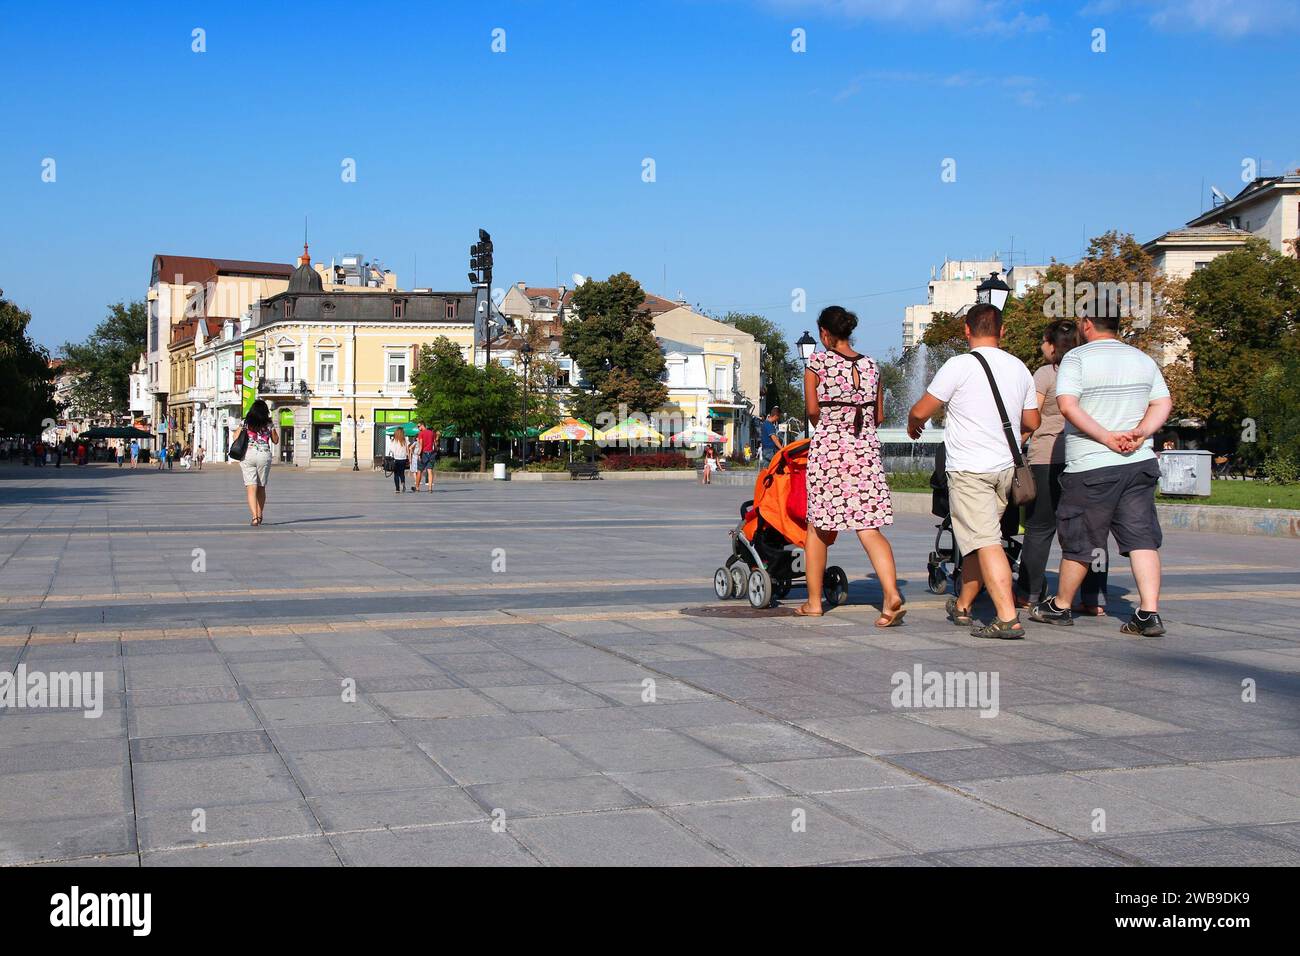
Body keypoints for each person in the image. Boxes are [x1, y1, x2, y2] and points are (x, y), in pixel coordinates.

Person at [1029, 302, 1172, 637]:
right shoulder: (1141, 358)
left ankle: (1061, 606)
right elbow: (1163, 402)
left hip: (1092, 465)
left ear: (1087, 324)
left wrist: (1106, 437)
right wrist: (1141, 433)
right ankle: (1148, 613)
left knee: (1081, 537)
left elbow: (1067, 405)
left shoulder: (1077, 359)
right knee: (1141, 538)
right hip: (1138, 462)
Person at [908, 303, 1040, 639]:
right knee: (979, 539)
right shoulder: (1020, 368)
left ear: (966, 330)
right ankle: (964, 604)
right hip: (1004, 470)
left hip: (970, 469)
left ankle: (1007, 618)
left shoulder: (959, 365)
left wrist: (913, 423)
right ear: (1003, 331)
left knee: (985, 540)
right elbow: (1032, 422)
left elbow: (922, 408)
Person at [799, 306, 905, 626]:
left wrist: (834, 421)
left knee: (819, 528)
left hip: (830, 450)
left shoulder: (816, 362)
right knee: (868, 526)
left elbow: (812, 412)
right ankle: (890, 593)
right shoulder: (873, 366)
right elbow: (880, 416)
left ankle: (814, 603)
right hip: (865, 451)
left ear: (824, 334)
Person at [1015, 320, 1108, 615]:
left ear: (1051, 344)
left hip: (1046, 458)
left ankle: (1029, 592)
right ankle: (1094, 597)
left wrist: (1016, 443)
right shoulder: (1091, 372)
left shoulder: (1045, 374)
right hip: (1087, 458)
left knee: (1040, 528)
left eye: (1043, 342)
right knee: (1093, 530)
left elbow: (1032, 419)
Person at [233, 400, 278, 525]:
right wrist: (272, 428)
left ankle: (254, 517)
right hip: (264, 455)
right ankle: (260, 513)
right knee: (261, 487)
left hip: (248, 454)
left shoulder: (245, 422)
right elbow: (275, 440)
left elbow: (235, 437)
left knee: (251, 487)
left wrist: (242, 428)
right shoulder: (268, 423)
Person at [411, 421, 437, 493]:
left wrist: (419, 454)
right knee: (430, 471)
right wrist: (435, 452)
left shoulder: (421, 433)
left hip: (424, 454)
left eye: (419, 426)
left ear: (422, 425)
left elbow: (421, 445)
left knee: (419, 471)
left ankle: (417, 487)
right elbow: (435, 444)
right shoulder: (432, 433)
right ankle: (430, 488)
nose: (418, 428)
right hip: (431, 453)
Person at [386, 427, 410, 493]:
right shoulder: (405, 440)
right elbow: (408, 450)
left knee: (396, 474)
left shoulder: (394, 441)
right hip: (403, 459)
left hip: (396, 459)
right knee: (402, 473)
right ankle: (402, 483)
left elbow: (391, 450)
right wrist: (409, 458)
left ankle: (397, 489)